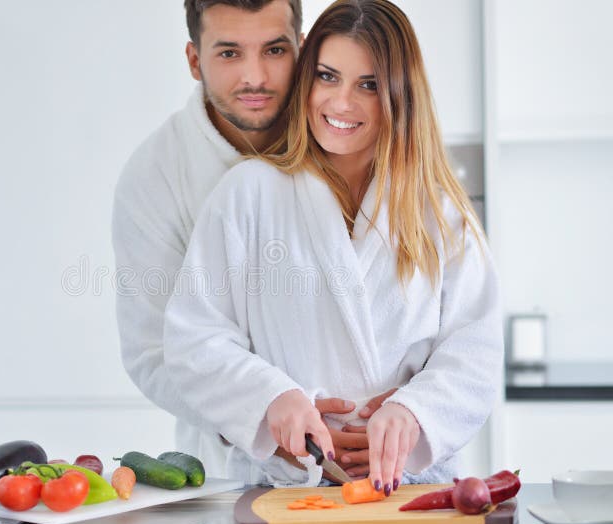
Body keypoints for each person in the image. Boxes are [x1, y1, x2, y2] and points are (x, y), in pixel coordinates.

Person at [163, 0, 503, 492]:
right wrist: (273, 400)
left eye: (368, 85)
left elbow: (475, 349)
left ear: (400, 95)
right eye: (328, 76)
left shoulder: (440, 213)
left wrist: (413, 412)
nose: (341, 103)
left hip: (409, 490)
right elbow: (195, 337)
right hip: (286, 489)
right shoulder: (248, 194)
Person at [112, 0, 392, 480]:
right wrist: (262, 416)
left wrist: (409, 407)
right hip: (239, 469)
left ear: (302, 50)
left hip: (381, 455)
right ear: (194, 60)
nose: (255, 77)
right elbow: (156, 350)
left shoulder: (350, 134)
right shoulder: (155, 176)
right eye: (228, 54)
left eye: (275, 50)